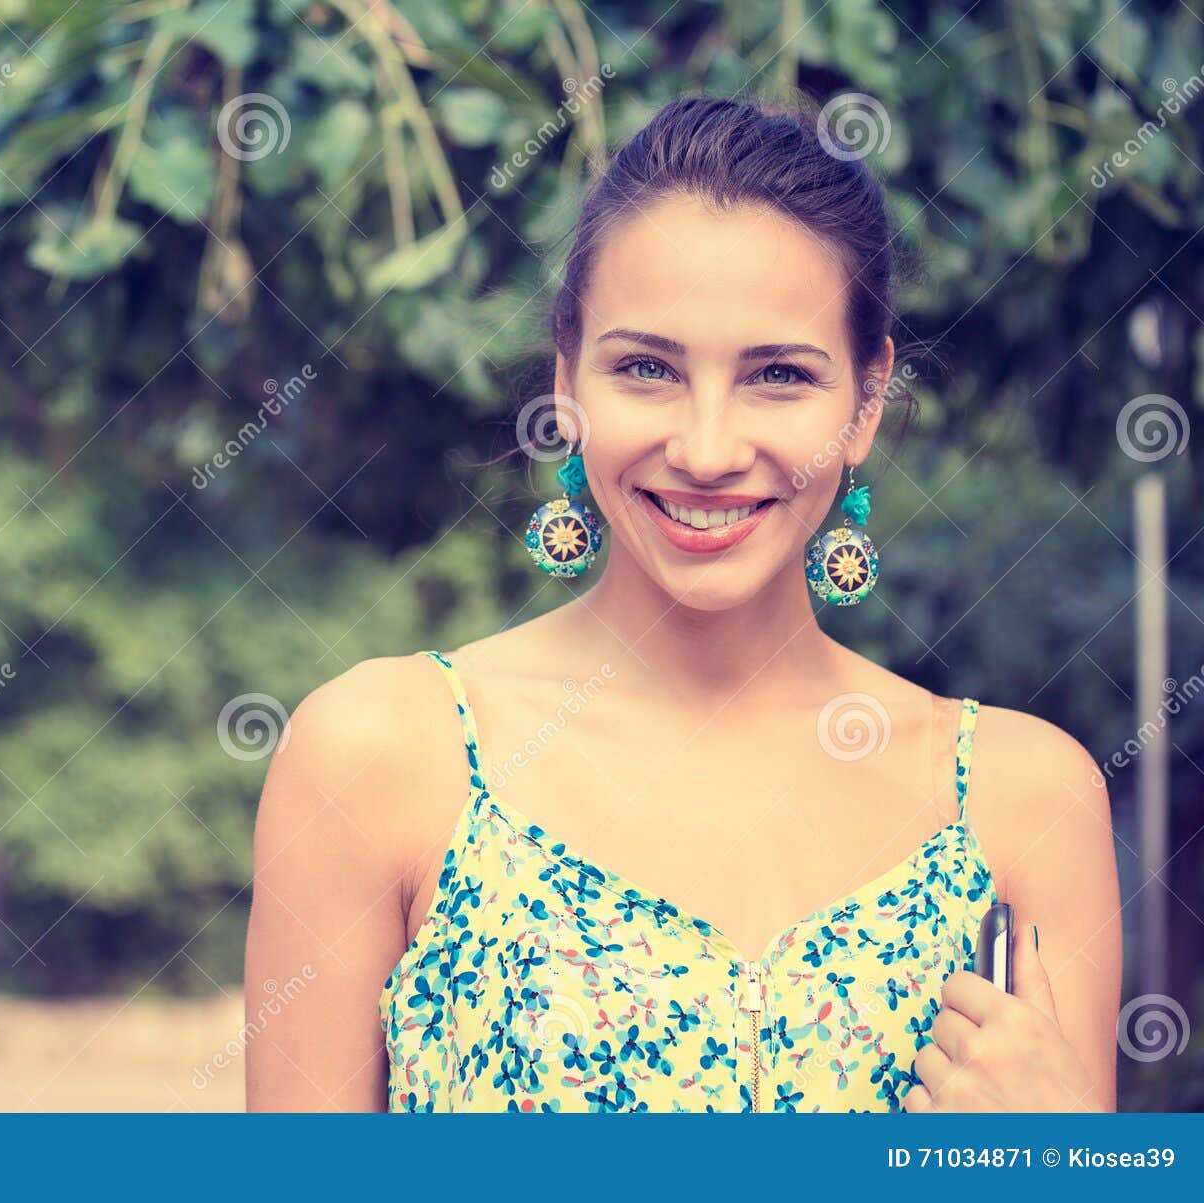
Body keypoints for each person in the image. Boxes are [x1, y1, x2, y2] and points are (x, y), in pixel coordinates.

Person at [243, 95, 1120, 1113]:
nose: (706, 450)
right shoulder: (378, 757)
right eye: (647, 368)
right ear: (568, 379)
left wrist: (1065, 1160)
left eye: (778, 375)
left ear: (866, 401)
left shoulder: (1022, 801)